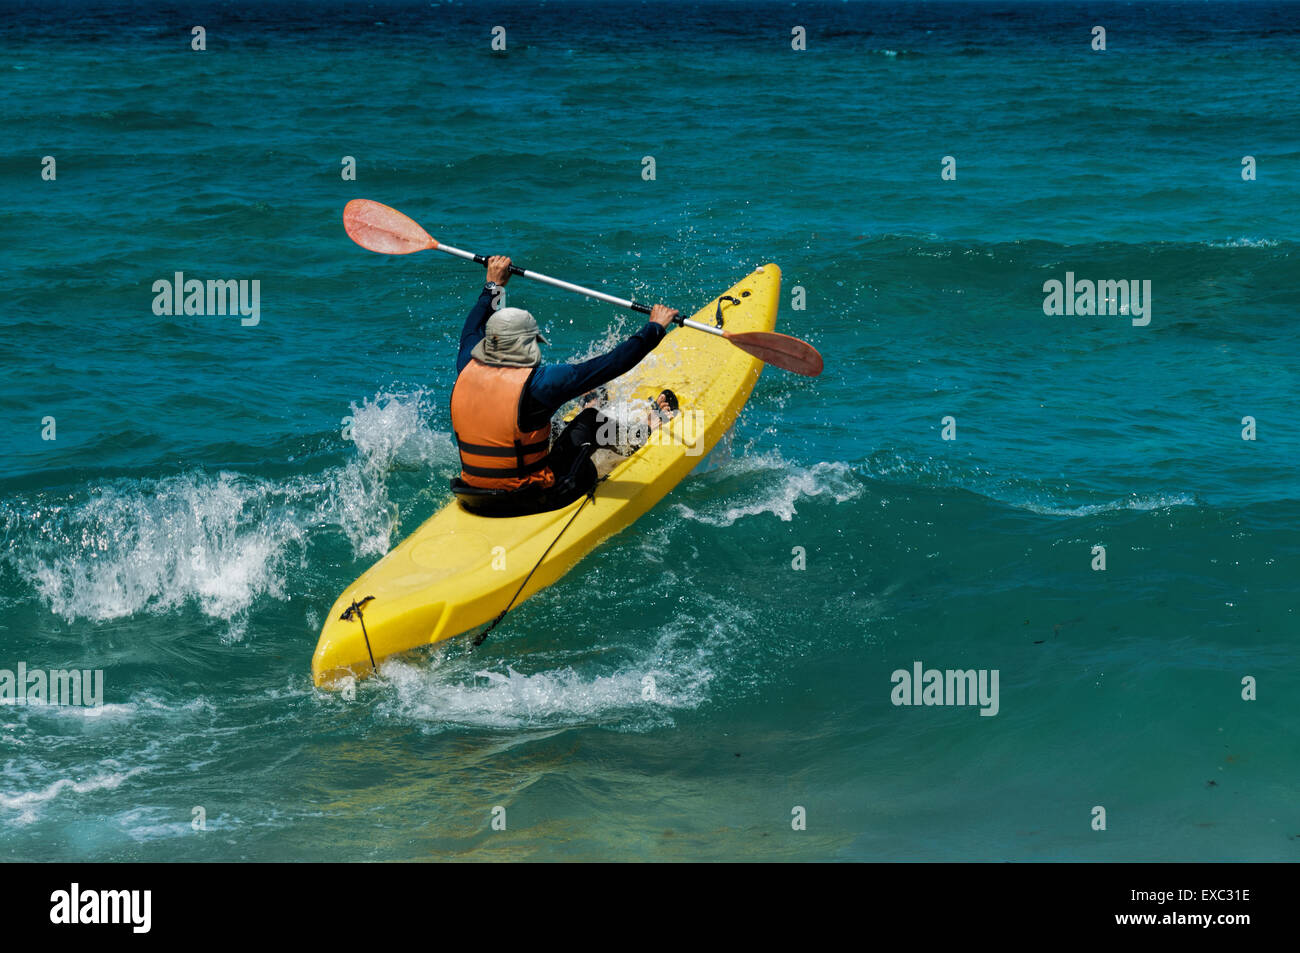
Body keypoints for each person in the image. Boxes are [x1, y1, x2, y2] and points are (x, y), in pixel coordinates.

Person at [449, 255, 678, 515]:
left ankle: (589, 404)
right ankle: (644, 431)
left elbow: (471, 327)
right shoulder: (540, 384)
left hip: (474, 498)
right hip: (535, 499)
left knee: (549, 428)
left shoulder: (466, 364)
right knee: (590, 421)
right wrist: (655, 327)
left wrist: (493, 286)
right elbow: (613, 363)